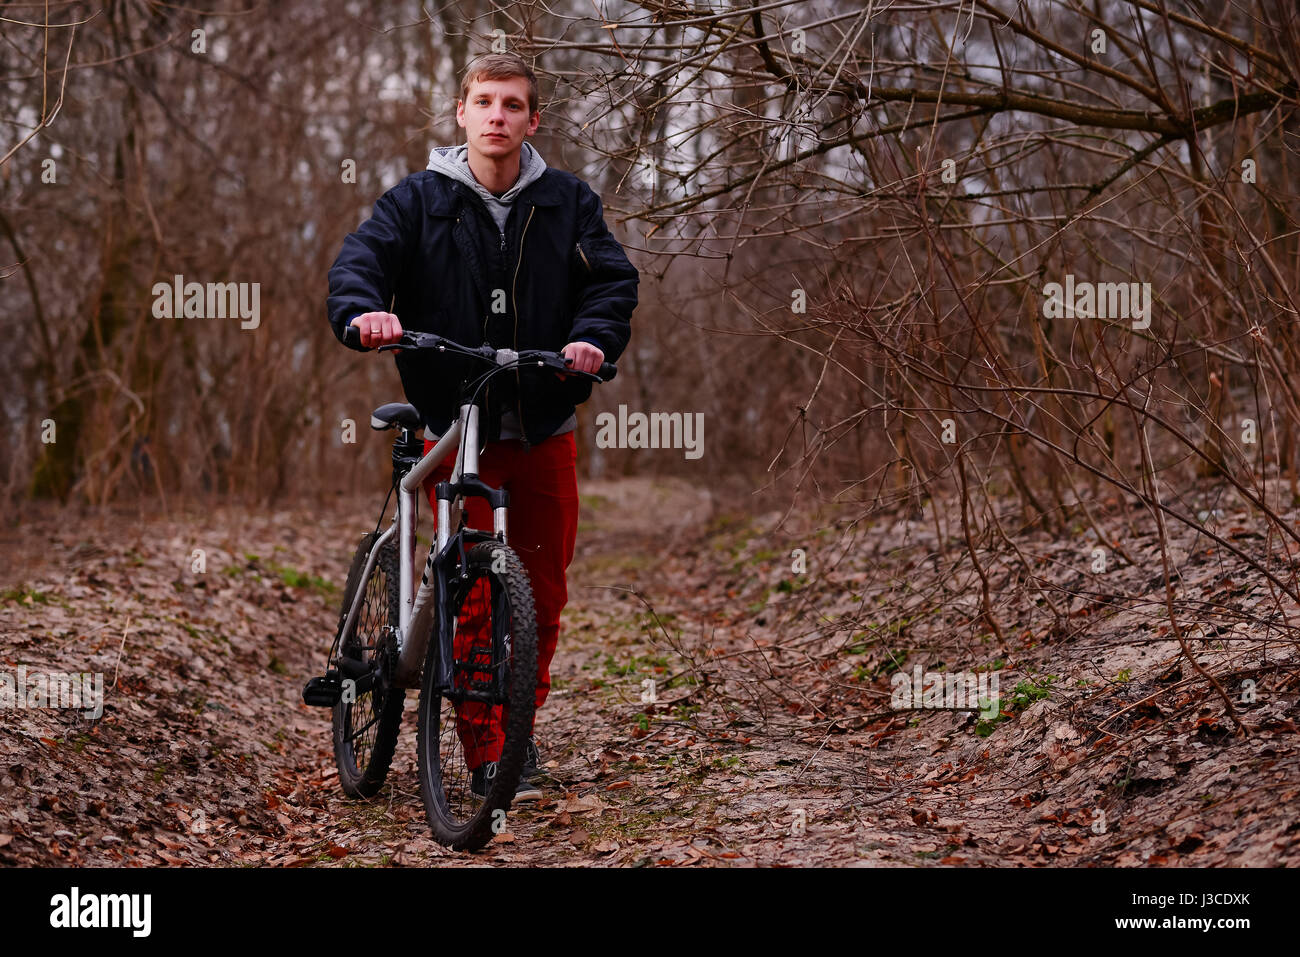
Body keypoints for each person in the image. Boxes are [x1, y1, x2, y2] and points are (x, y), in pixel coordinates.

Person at [327, 52, 637, 801]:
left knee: (541, 592)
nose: (497, 115)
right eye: (484, 101)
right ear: (462, 113)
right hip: (453, 422)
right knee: (469, 589)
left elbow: (611, 283)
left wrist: (592, 338)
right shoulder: (416, 201)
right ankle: (489, 753)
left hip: (542, 417)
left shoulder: (569, 202)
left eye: (512, 104)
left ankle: (516, 731)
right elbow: (359, 261)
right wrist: (366, 311)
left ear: (534, 120)